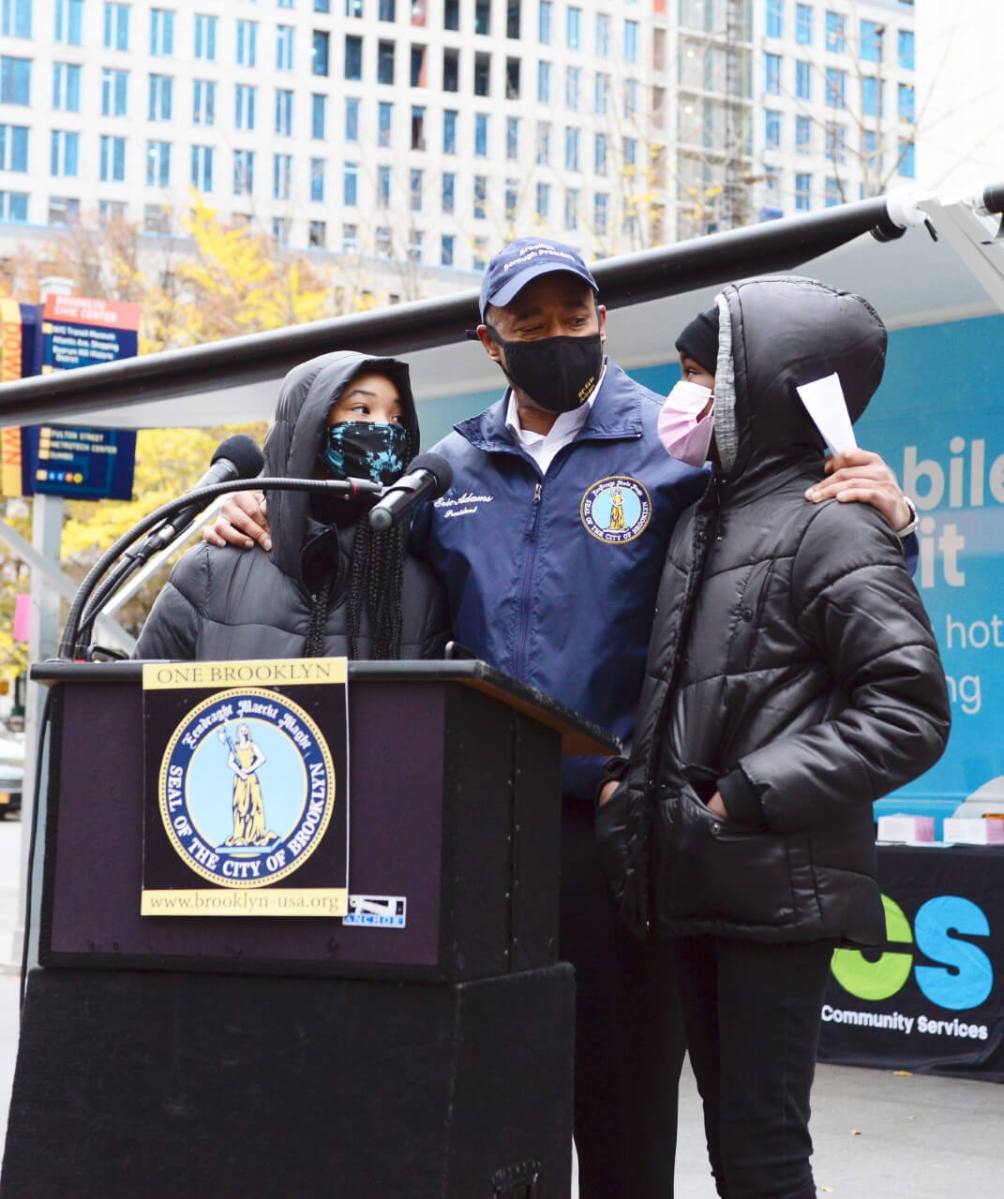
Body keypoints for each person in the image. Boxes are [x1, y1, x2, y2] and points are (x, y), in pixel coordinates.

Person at [204, 240, 918, 1199]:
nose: (554, 337)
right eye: (528, 324)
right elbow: (340, 550)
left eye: (571, 317)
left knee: (627, 1122)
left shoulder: (675, 454)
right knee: (492, 1119)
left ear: (601, 320)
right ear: (489, 341)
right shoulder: (445, 468)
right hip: (483, 841)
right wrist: (246, 504)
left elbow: (786, 550)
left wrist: (895, 521)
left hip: (625, 831)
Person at [597, 276, 950, 1199]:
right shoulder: (706, 517)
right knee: (737, 1153)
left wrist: (743, 793)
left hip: (771, 886)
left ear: (759, 386)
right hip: (702, 882)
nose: (682, 398)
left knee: (761, 1158)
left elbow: (909, 710)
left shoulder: (833, 526)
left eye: (697, 373)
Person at [135, 350, 449, 661]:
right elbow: (138, 702)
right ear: (308, 428)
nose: (386, 428)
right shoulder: (209, 572)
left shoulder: (416, 590)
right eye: (362, 409)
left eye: (397, 418)